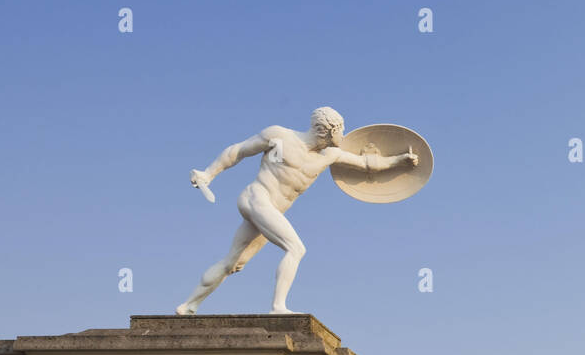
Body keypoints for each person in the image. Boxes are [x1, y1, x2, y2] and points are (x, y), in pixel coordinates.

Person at [176, 107, 418, 315]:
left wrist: (401, 160)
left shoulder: (329, 154)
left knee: (234, 263)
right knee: (296, 248)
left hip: (271, 211)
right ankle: (278, 307)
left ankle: (188, 305)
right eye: (341, 130)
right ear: (329, 130)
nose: (344, 136)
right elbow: (237, 151)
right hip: (257, 198)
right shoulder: (280, 136)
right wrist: (208, 173)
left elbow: (367, 164)